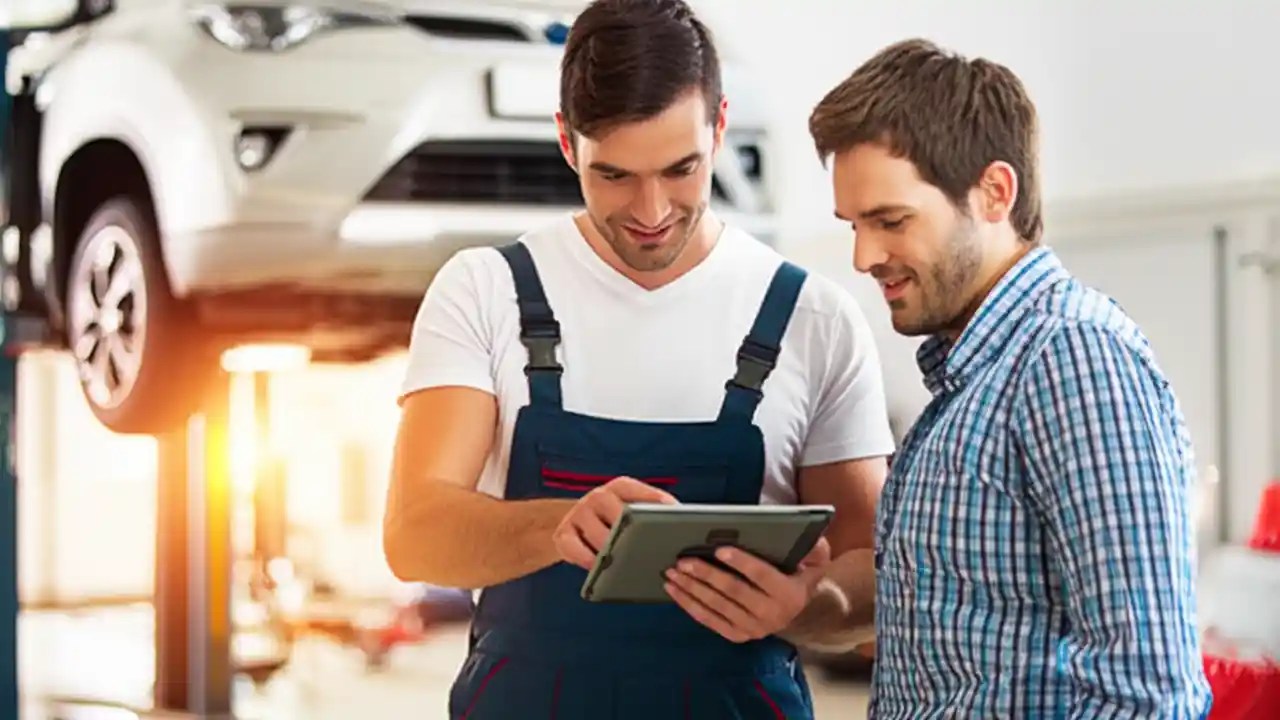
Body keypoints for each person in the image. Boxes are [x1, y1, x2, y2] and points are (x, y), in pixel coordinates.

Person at [383, 1, 893, 717]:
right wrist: (556, 528)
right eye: (614, 175)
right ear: (567, 142)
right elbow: (414, 536)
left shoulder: (814, 317)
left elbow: (873, 578)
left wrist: (801, 606)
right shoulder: (485, 291)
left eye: (681, 169)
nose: (651, 210)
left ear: (719, 127)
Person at [808, 38, 1214, 719]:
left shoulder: (1074, 361)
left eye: (891, 221)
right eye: (853, 224)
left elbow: (1148, 693)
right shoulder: (970, 379)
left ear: (994, 192)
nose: (864, 255)